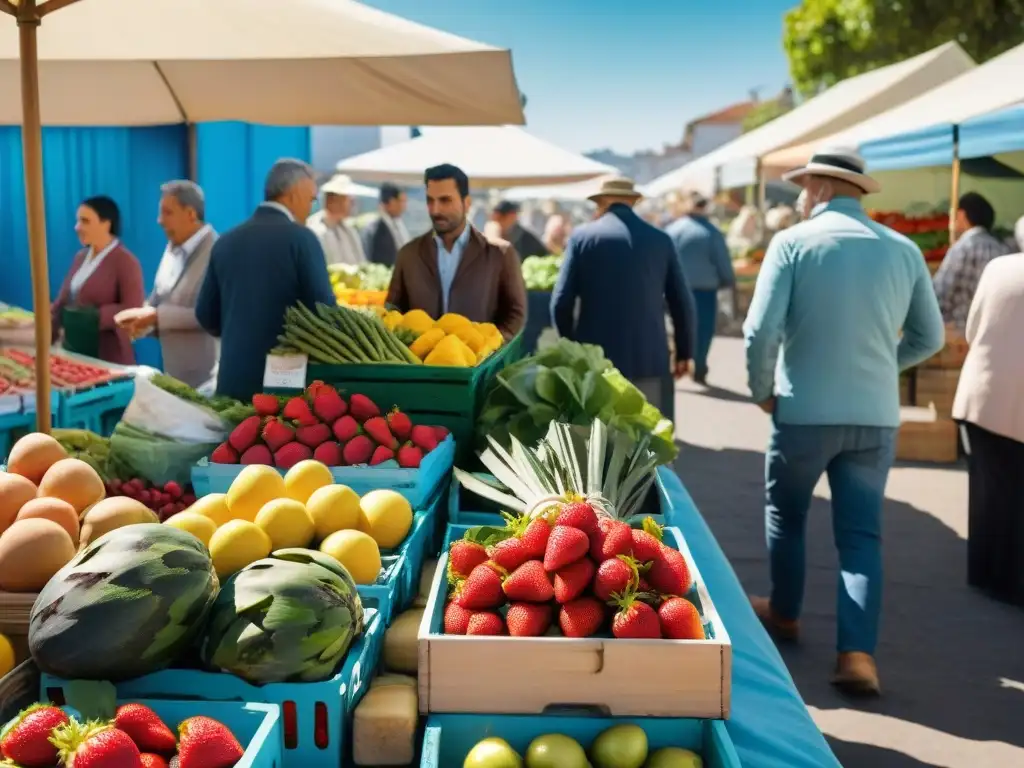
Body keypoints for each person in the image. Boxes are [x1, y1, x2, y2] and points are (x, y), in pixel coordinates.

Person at [744, 148, 945, 696]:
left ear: (822, 189)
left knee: (787, 515)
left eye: (805, 187)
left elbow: (759, 332)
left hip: (803, 410)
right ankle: (857, 655)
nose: (802, 197)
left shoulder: (792, 243)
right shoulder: (903, 250)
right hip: (874, 417)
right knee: (861, 535)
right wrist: (885, 368)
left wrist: (763, 392)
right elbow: (932, 338)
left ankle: (785, 613)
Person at [550, 177, 695, 421]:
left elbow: (561, 302)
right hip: (650, 358)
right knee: (651, 440)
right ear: (633, 202)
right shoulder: (660, 239)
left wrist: (572, 346)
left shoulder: (581, 238)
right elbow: (682, 303)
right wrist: (684, 352)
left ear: (601, 203)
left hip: (595, 361)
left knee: (597, 442)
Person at [196, 158, 335, 401]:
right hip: (284, 384)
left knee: (235, 439)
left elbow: (205, 314)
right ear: (293, 195)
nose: (311, 208)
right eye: (311, 200)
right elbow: (325, 313)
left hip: (232, 381)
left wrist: (241, 333)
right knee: (274, 438)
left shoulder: (226, 241)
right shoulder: (301, 239)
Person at [952, 240, 1024, 607]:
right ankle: (1013, 580)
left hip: (984, 394)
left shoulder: (999, 268)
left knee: (987, 487)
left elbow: (973, 328)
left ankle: (984, 573)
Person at [386, 164, 527, 339]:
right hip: (419, 362)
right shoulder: (408, 254)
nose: (436, 210)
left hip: (481, 363)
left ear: (466, 203)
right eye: (430, 200)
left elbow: (515, 315)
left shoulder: (499, 254)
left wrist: (488, 349)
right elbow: (392, 311)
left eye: (445, 200)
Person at [114, 181, 218, 389]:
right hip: (175, 376)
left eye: (167, 213)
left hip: (207, 381)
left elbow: (213, 313)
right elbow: (159, 297)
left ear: (190, 214)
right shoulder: (173, 247)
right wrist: (142, 321)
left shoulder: (217, 251)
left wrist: (155, 316)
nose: (159, 221)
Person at [51, 196, 144, 365]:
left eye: (85, 221)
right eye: (78, 221)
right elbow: (63, 301)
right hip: (74, 351)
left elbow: (133, 307)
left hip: (108, 354)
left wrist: (93, 318)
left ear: (106, 224)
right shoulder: (80, 257)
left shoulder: (125, 261)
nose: (77, 227)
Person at [666, 191, 735, 385]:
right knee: (703, 330)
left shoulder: (672, 230)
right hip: (705, 290)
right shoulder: (711, 232)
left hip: (676, 289)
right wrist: (727, 280)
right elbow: (722, 261)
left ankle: (678, 362)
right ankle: (700, 364)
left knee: (678, 327)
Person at [933, 192, 1011, 333]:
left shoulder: (962, 248)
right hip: (997, 331)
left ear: (962, 214)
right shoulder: (1003, 249)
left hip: (963, 333)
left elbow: (940, 293)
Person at [306, 175, 366, 266]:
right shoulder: (314, 229)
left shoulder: (349, 230)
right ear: (335, 200)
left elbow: (361, 263)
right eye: (349, 200)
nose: (352, 204)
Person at [360, 182, 410, 266]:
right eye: (401, 201)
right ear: (391, 202)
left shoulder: (398, 224)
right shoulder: (376, 230)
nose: (404, 207)